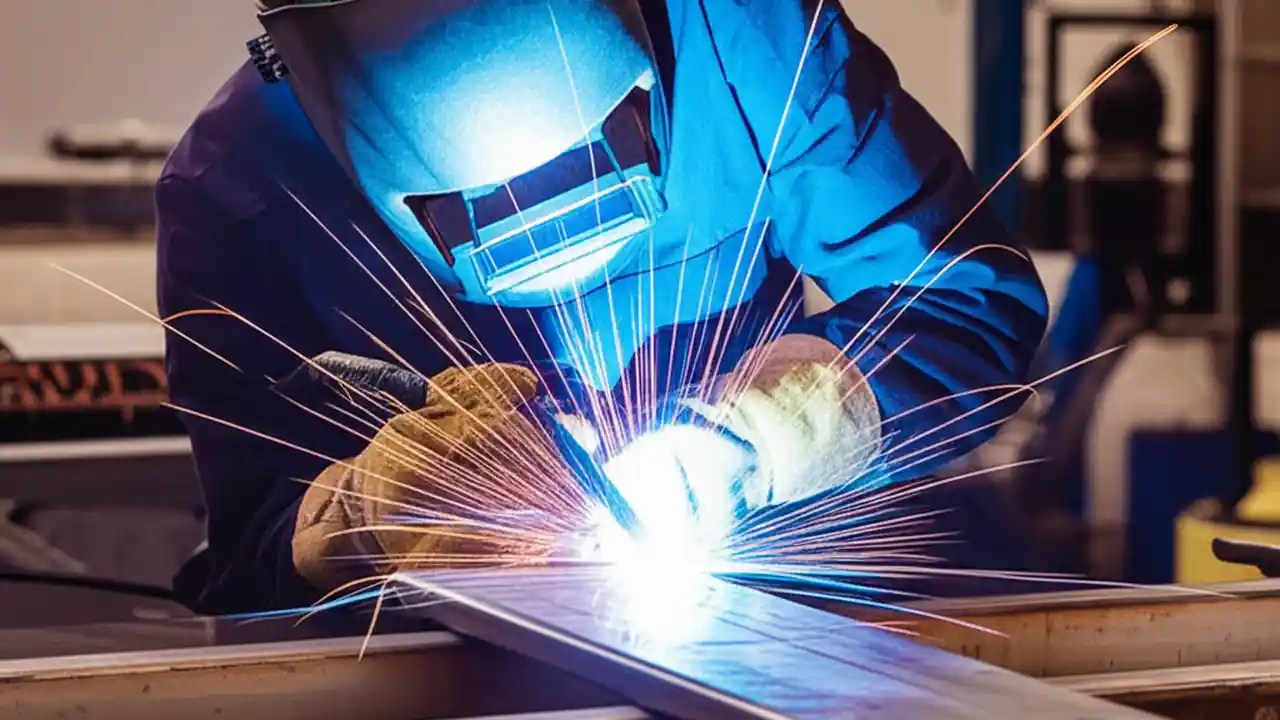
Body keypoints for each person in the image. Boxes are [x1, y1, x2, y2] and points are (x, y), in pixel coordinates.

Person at [157, 0, 1049, 615]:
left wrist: (757, 436)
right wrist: (365, 514)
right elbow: (251, 560)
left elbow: (965, 300)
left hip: (773, 614)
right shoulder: (240, 179)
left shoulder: (741, 37)